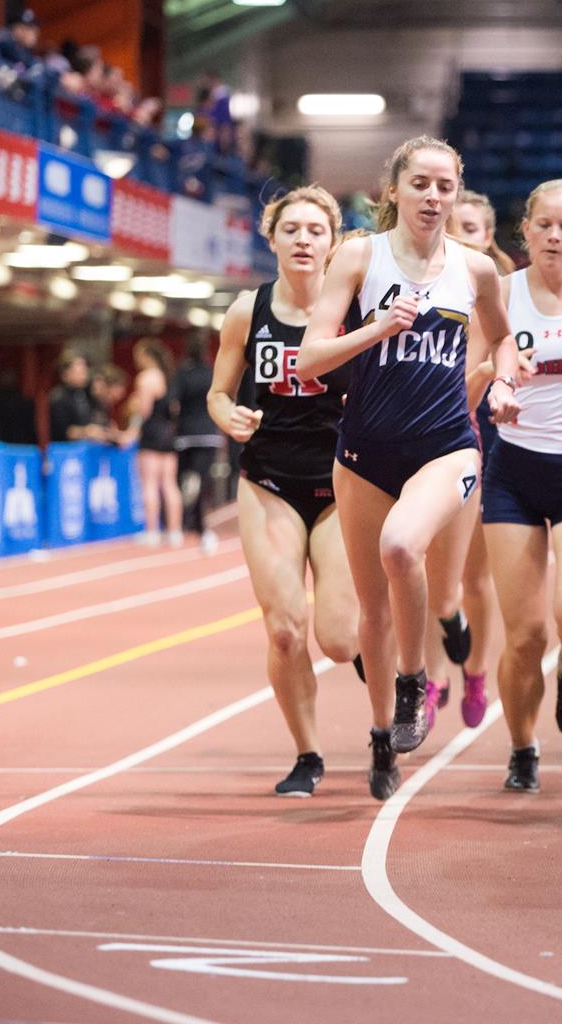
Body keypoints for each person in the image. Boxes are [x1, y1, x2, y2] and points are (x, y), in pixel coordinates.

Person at [299, 136, 520, 785]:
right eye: (420, 183)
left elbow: (504, 339)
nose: (433, 197)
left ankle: (416, 680)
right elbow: (311, 358)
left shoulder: (475, 269)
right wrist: (377, 328)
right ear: (393, 189)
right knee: (372, 609)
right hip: (364, 452)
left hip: (446, 446)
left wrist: (503, 382)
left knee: (403, 548)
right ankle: (378, 738)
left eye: (445, 186)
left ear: (457, 193)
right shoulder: (360, 256)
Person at [208, 186, 362, 798]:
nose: (303, 239)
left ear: (333, 243)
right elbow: (220, 392)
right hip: (268, 479)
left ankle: (382, 673)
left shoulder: (353, 307)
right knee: (283, 630)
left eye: (315, 230)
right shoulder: (249, 311)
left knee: (338, 636)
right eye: (291, 229)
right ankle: (308, 753)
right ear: (270, 239)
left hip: (342, 481)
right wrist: (227, 415)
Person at [482, 178, 562, 793]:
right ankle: (523, 746)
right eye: (543, 226)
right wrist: (497, 384)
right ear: (524, 231)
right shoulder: (499, 293)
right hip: (514, 472)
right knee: (524, 635)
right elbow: (469, 376)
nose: (554, 237)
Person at [443, 190, 516, 728]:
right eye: (450, 226)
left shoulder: (498, 294)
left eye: (469, 227)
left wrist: (492, 379)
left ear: (487, 236)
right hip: (424, 437)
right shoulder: (424, 286)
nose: (457, 234)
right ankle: (429, 677)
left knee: (473, 578)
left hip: (486, 440)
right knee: (425, 570)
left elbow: (509, 354)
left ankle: (474, 672)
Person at [129, 337, 183, 547]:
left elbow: (143, 411)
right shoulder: (169, 378)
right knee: (169, 483)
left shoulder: (146, 378)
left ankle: (152, 531)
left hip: (152, 434)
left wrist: (132, 431)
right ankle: (174, 531)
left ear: (146, 356)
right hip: (168, 433)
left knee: (149, 483)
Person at [174, 331, 223, 553]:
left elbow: (172, 402)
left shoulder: (182, 373)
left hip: (185, 435)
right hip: (207, 434)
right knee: (203, 481)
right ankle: (200, 524)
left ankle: (188, 521)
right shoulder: (211, 373)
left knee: (185, 478)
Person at [47, 350, 104, 443]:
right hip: (66, 451)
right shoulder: (58, 397)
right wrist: (87, 431)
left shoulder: (85, 392)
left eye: (85, 370)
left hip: (85, 448)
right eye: (80, 371)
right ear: (65, 374)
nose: (84, 374)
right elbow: (63, 431)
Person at [0, 369, 37, 445]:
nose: (7, 380)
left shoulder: (26, 403)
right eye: (5, 378)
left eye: (9, 378)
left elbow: (30, 430)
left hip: (23, 448)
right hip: (3, 448)